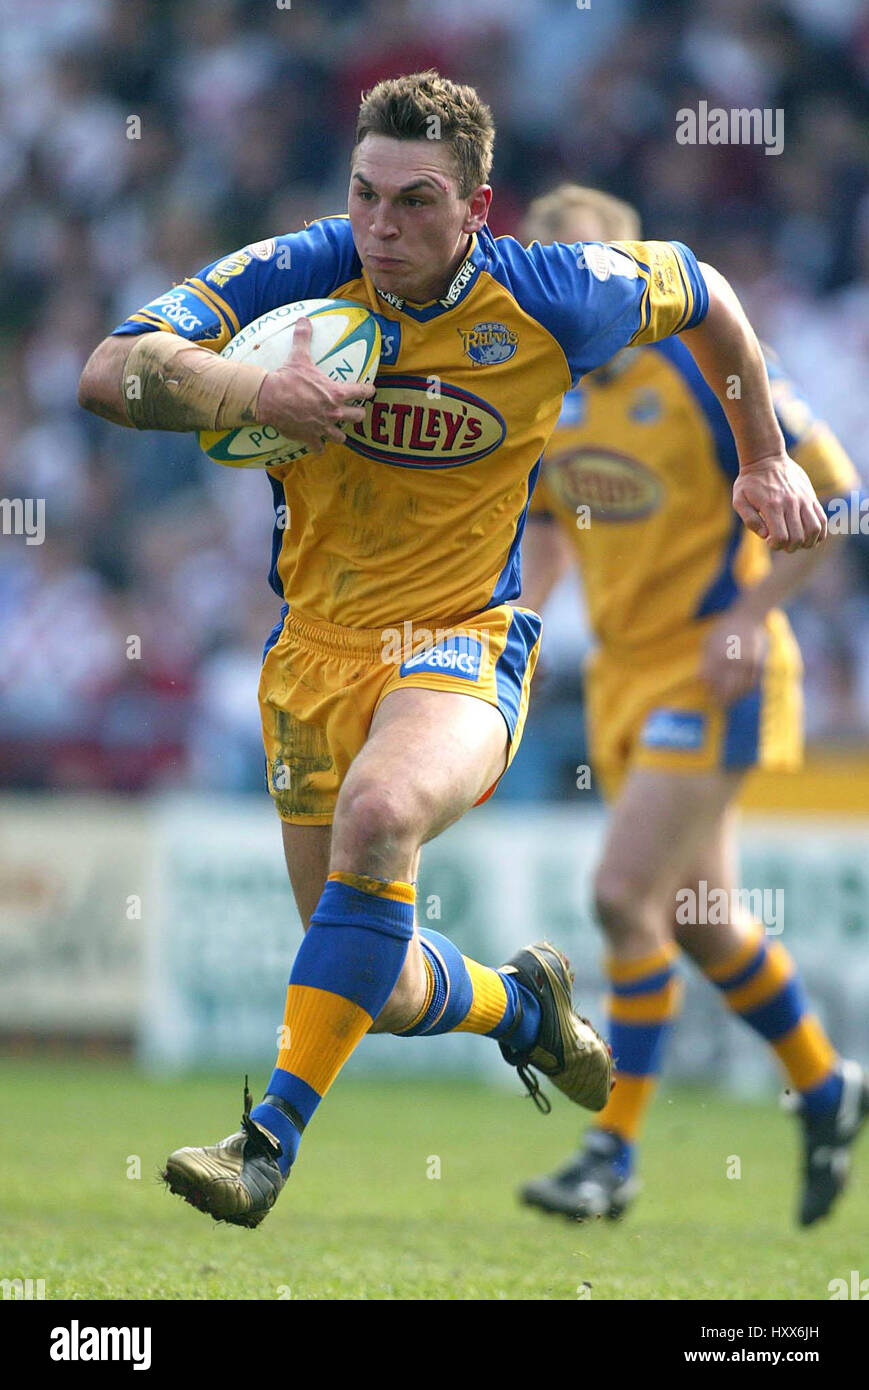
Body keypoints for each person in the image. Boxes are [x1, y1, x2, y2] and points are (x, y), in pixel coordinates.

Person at [78, 73, 825, 1230]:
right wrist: (249, 386)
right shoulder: (301, 269)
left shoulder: (552, 296)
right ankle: (520, 1013)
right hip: (309, 652)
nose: (381, 227)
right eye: (365, 195)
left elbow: (707, 292)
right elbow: (106, 370)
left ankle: (264, 1142)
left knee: (383, 817)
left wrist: (763, 456)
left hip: (462, 644)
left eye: (415, 202)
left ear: (476, 209)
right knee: (364, 972)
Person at [516, 184, 866, 1228]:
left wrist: (747, 614)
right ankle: (824, 1083)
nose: (570, 293)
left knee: (621, 893)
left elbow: (836, 496)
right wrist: (520, 634)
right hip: (622, 674)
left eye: (589, 269)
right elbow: (542, 523)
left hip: (716, 667)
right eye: (550, 274)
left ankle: (607, 1154)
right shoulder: (548, 387)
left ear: (634, 277)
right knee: (699, 922)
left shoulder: (697, 362)